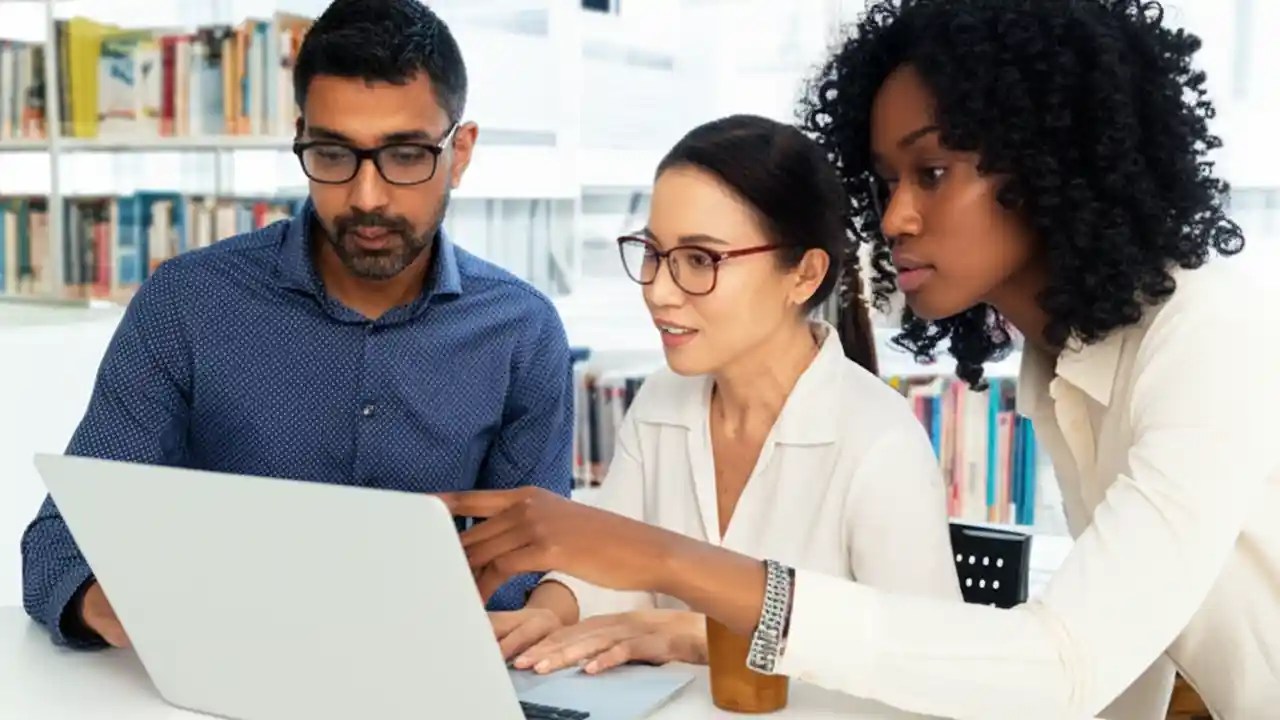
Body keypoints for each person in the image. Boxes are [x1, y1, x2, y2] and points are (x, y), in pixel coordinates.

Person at [439, 1, 1280, 718]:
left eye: (934, 171)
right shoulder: (1062, 368)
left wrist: (668, 567)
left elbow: (1064, 660)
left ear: (1050, 160)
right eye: (886, 183)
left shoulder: (1207, 338)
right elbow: (1127, 657)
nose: (896, 220)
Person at [20, 0, 574, 651]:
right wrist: (134, 609)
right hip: (223, 671)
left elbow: (525, 561)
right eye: (334, 154)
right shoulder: (187, 303)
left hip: (430, 672)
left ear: (462, 151)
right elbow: (58, 550)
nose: (368, 197)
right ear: (300, 138)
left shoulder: (522, 332)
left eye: (406, 155)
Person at [486, 114, 962, 675]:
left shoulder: (879, 442)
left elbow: (929, 667)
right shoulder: (664, 400)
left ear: (804, 276)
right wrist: (548, 613)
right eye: (653, 252)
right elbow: (606, 566)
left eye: (699, 260)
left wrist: (693, 635)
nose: (659, 291)